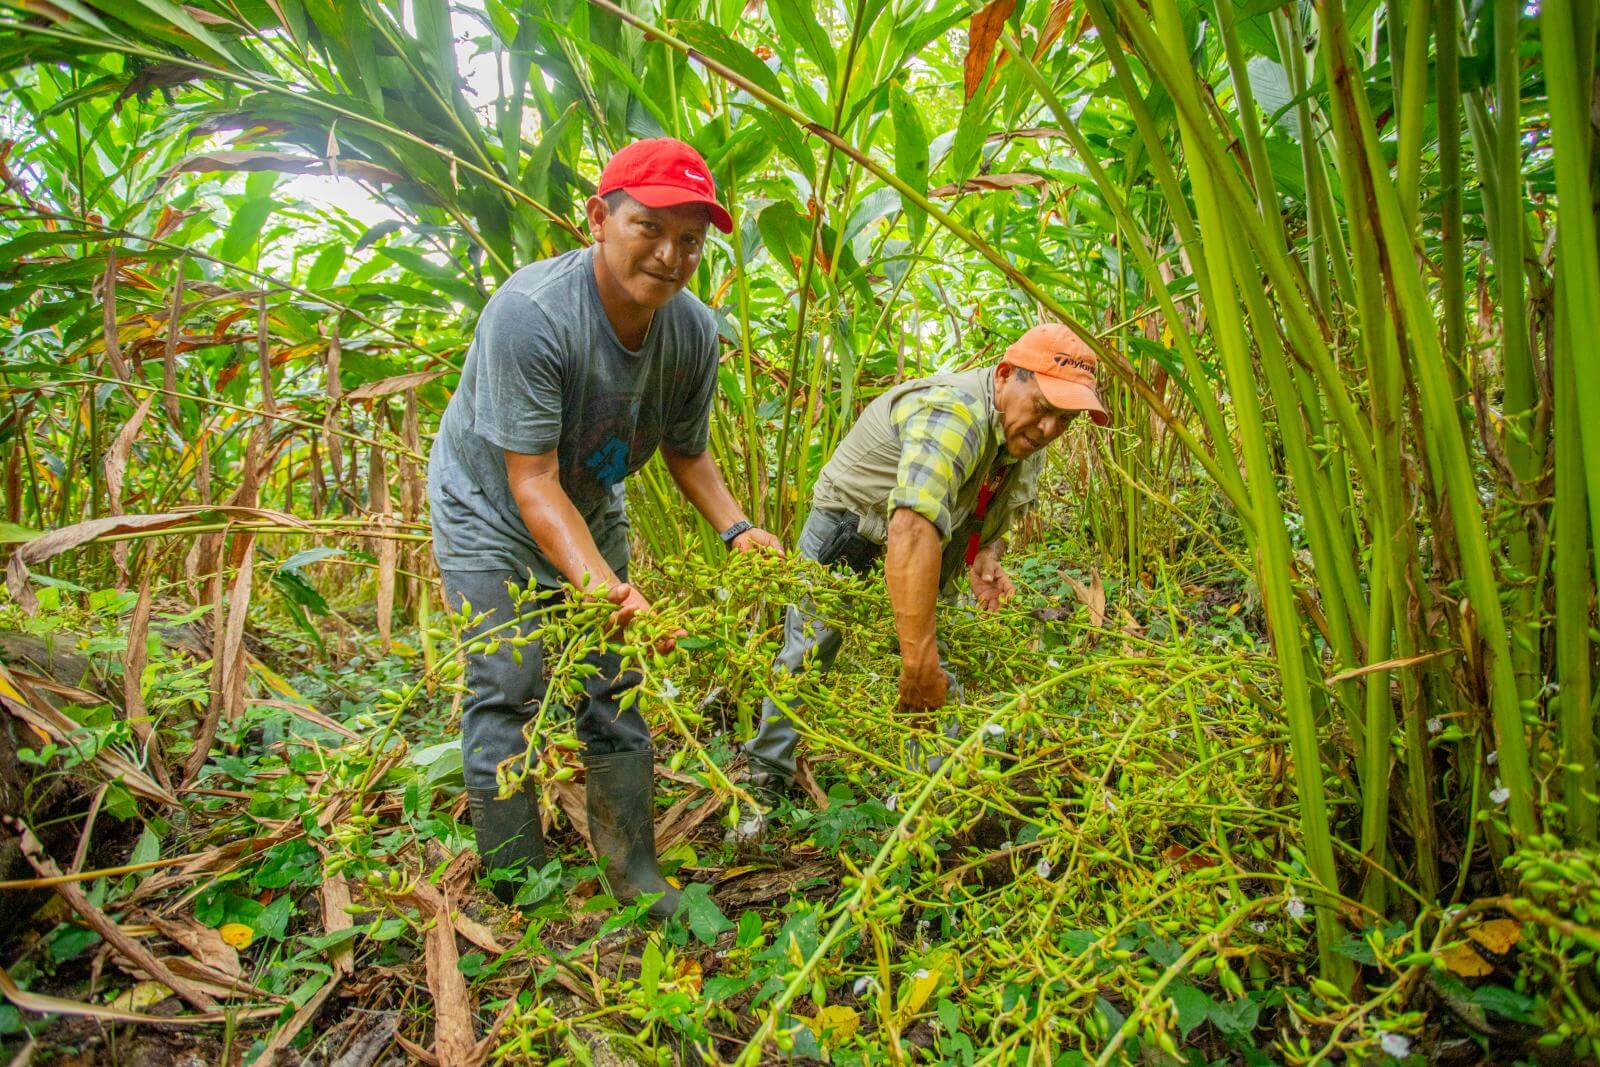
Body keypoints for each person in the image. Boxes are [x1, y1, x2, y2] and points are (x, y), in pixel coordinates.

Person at [427, 138, 780, 915]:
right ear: (599, 218)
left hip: (586, 500)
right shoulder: (532, 315)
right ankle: (519, 884)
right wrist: (613, 590)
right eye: (648, 227)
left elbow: (688, 452)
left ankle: (633, 870)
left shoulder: (691, 332)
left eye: (690, 240)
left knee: (615, 681)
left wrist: (738, 529)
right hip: (488, 507)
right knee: (507, 682)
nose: (670, 254)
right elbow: (530, 481)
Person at [733, 323, 1109, 840]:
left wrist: (985, 557)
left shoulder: (1023, 438)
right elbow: (910, 528)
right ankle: (765, 776)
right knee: (809, 652)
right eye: (1043, 407)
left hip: (928, 540)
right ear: (1005, 376)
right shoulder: (953, 413)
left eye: (1063, 419)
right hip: (851, 527)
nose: (1048, 428)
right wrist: (916, 661)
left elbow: (982, 506)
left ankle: (927, 795)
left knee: (939, 663)